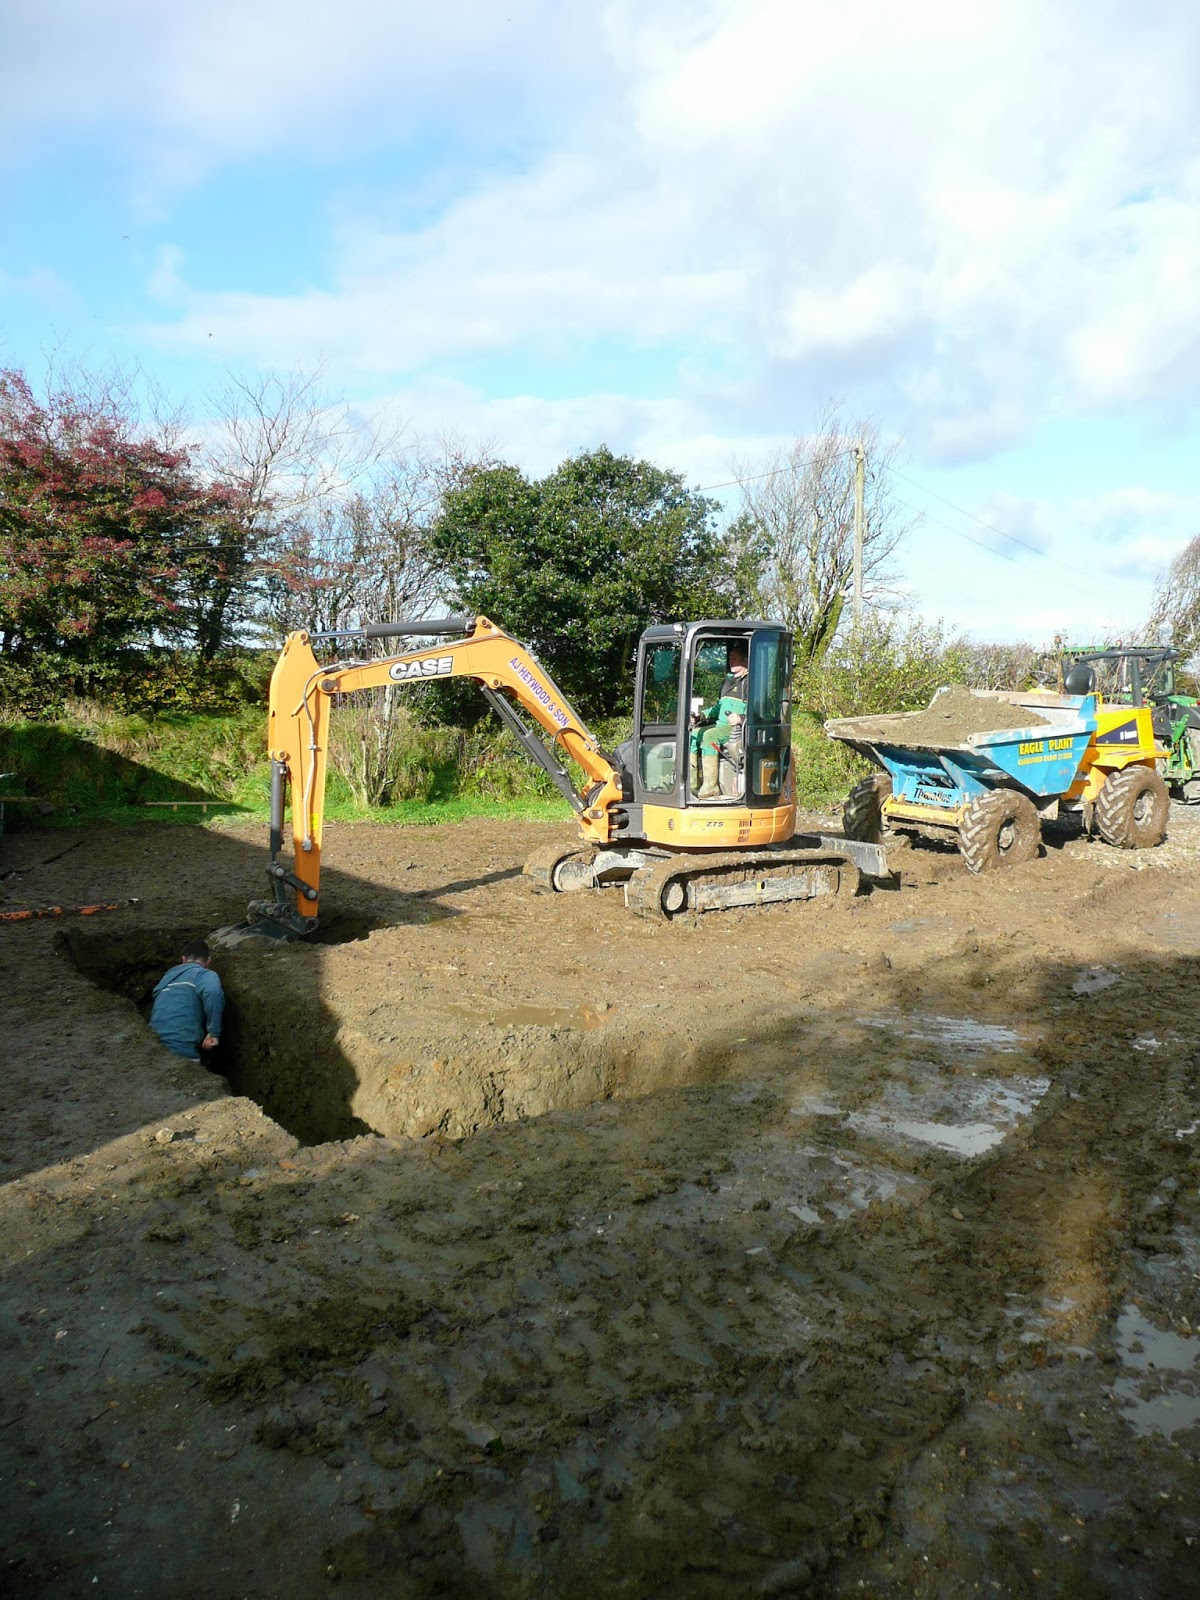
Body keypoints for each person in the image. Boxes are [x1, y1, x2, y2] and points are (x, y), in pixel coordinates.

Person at [149, 939, 224, 1063]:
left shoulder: (169, 976)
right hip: (181, 1050)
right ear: (208, 962)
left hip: (152, 1046)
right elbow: (213, 992)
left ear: (183, 959)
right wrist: (214, 1032)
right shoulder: (204, 975)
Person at [690, 642, 749, 799]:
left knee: (709, 736)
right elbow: (717, 708)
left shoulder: (749, 682)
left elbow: (758, 710)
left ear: (745, 660)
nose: (730, 661)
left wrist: (741, 718)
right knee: (694, 734)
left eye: (734, 658)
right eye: (730, 658)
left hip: (734, 729)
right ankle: (693, 784)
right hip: (719, 725)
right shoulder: (727, 681)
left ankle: (711, 787)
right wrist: (700, 716)